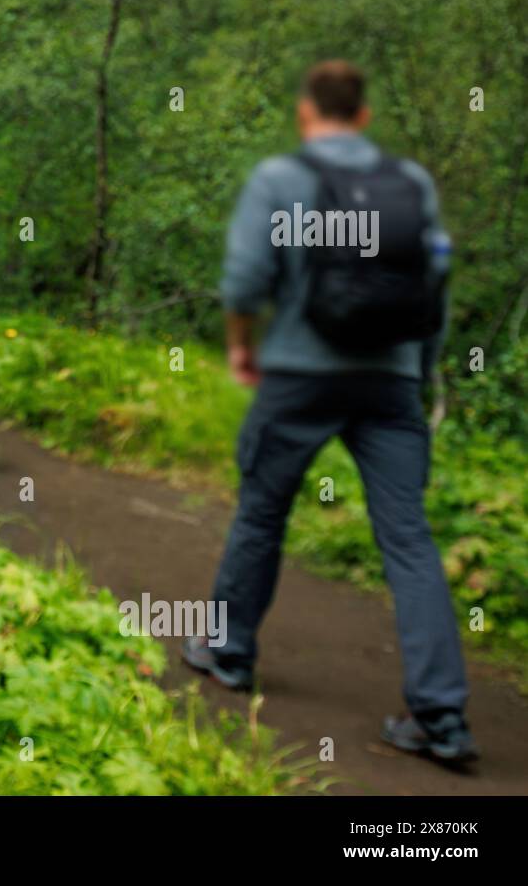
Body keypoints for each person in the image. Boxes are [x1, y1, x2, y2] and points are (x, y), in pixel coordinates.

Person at [181, 60, 477, 763]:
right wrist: (421, 368)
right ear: (365, 116)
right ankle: (443, 719)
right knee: (409, 538)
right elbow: (436, 285)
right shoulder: (412, 184)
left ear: (306, 114)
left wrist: (240, 350)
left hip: (300, 375)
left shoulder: (281, 181)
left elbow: (246, 279)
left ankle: (231, 650)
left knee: (262, 510)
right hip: (392, 382)